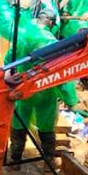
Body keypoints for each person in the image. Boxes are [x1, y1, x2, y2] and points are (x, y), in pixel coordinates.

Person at [8, 17, 79, 165]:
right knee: (46, 126)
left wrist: (10, 79)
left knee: (19, 123)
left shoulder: (23, 36)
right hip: (45, 90)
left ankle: (15, 160)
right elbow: (63, 75)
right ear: (51, 24)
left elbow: (10, 59)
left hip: (23, 88)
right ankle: (48, 160)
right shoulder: (53, 42)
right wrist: (71, 100)